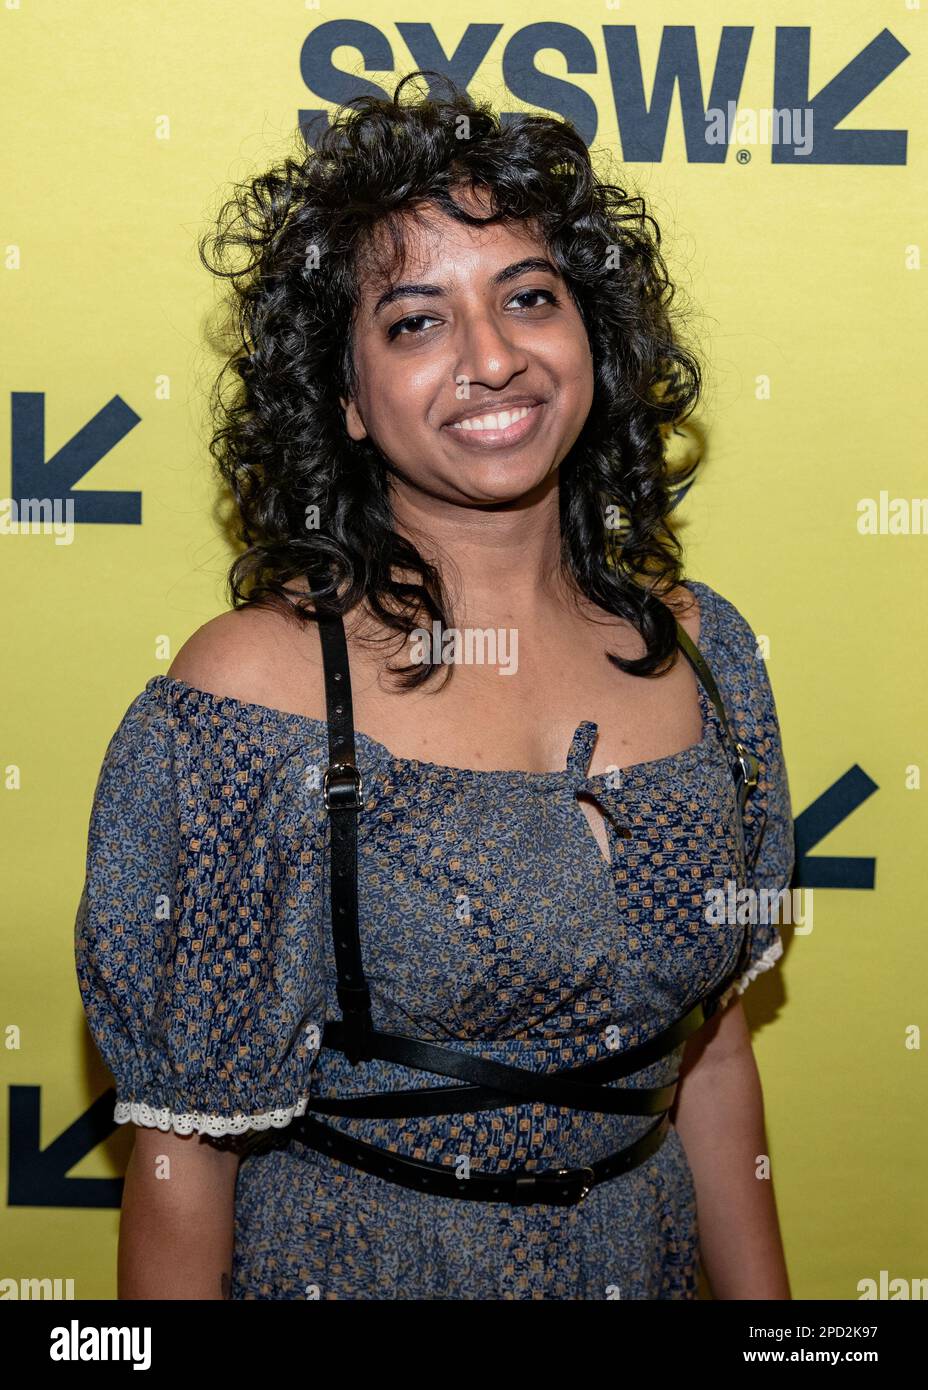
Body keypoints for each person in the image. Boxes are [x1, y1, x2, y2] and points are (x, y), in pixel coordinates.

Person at [74, 71, 794, 1300]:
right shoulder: (258, 693)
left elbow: (713, 1067)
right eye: (416, 321)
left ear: (591, 335)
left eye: (528, 297)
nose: (493, 357)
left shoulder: (706, 657)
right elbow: (180, 1158)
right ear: (347, 400)